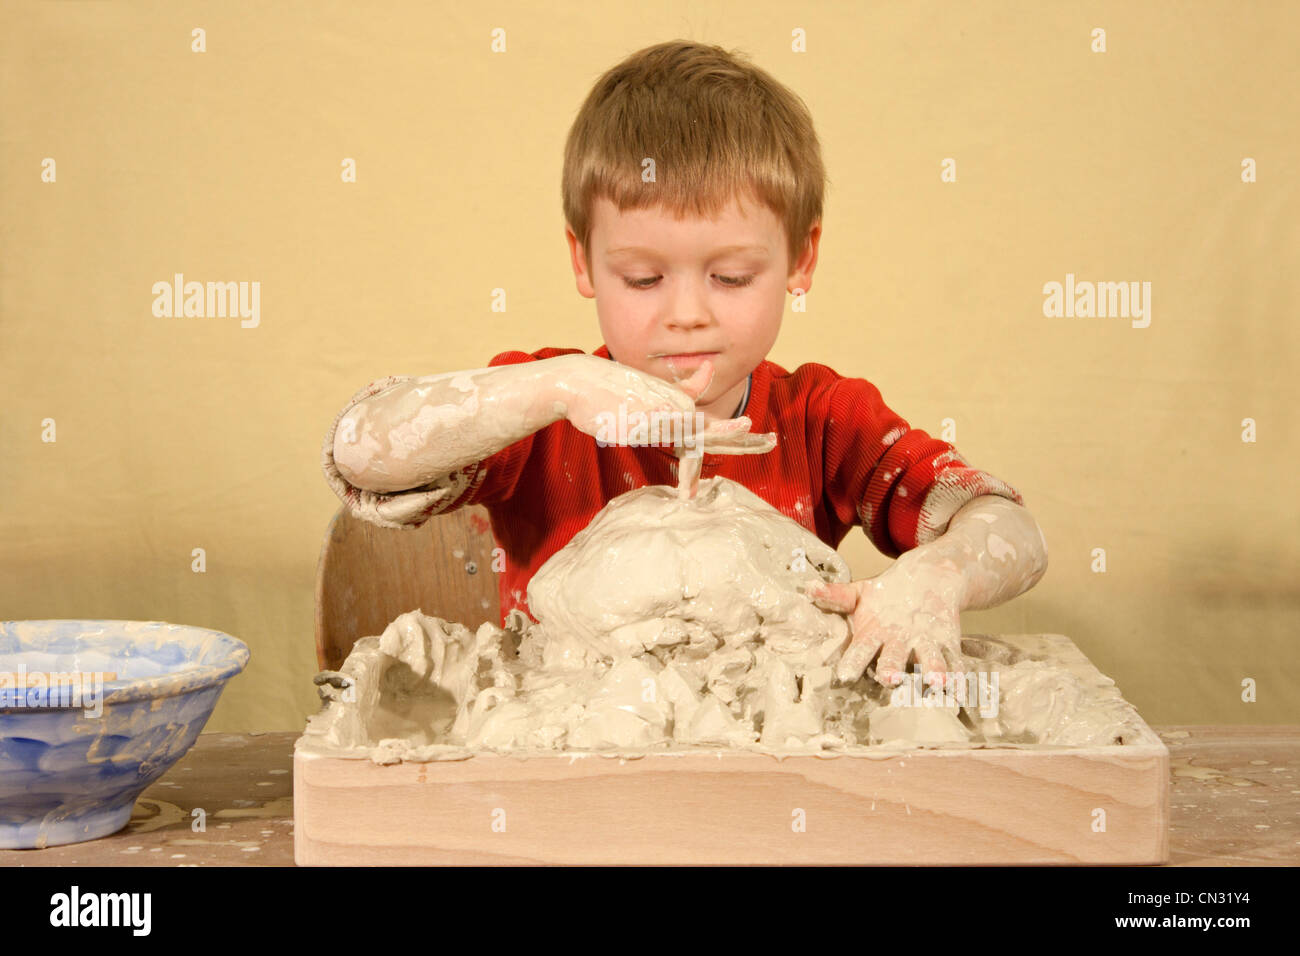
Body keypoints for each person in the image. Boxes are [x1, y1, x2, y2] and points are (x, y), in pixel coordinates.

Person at [321, 40, 1048, 689]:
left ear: (801, 259)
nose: (686, 313)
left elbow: (1015, 533)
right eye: (643, 278)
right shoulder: (549, 416)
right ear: (584, 261)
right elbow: (360, 447)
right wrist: (558, 385)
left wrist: (938, 576)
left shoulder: (824, 421)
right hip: (569, 760)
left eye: (730, 277)